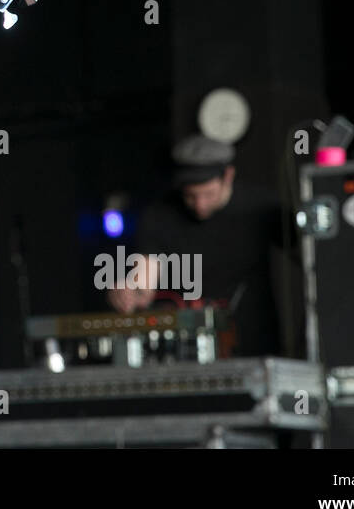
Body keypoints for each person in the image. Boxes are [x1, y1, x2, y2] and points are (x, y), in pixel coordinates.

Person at [107, 135, 284, 356]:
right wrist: (129, 292)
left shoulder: (262, 207)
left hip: (253, 345)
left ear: (228, 176)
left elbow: (307, 258)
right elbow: (144, 279)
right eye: (191, 196)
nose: (200, 205)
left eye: (208, 194)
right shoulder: (158, 216)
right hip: (185, 349)